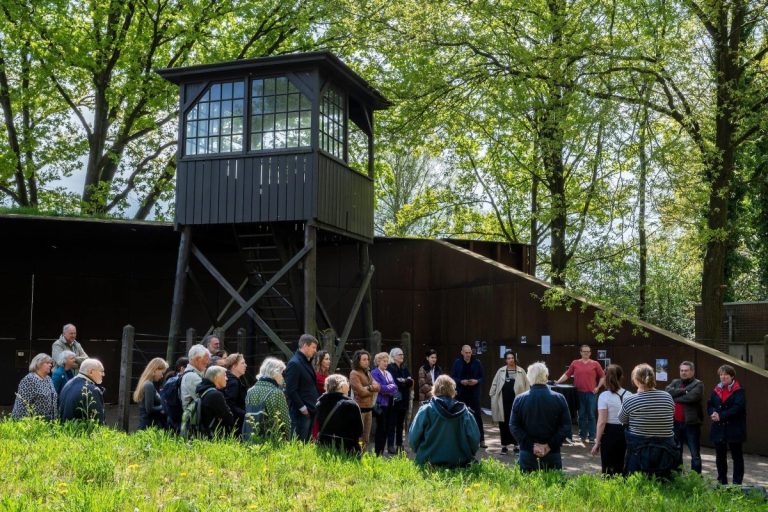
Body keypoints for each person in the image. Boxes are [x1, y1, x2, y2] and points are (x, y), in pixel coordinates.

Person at [618, 363, 679, 479]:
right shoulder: (667, 396)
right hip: (666, 448)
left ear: (636, 380)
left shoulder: (630, 400)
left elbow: (621, 420)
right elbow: (671, 415)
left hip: (639, 448)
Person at [510, 362, 571, 471]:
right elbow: (566, 426)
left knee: (526, 487)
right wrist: (549, 445)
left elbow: (514, 426)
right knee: (553, 487)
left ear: (529, 378)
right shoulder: (559, 398)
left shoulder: (519, 399)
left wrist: (531, 445)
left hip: (527, 452)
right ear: (546, 376)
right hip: (552, 452)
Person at [408, 375, 480, 468]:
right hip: (460, 463)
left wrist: (418, 451)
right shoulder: (465, 412)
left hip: (428, 462)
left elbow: (413, 439)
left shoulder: (425, 410)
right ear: (453, 390)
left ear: (435, 388)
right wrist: (470, 454)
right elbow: (474, 439)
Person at [555, 344, 606, 443]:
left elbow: (602, 376)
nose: (586, 353)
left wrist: (598, 387)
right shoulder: (575, 363)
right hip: (578, 393)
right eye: (584, 351)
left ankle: (592, 436)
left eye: (588, 351)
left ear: (590, 353)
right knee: (581, 415)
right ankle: (582, 435)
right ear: (581, 352)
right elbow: (567, 374)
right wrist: (558, 381)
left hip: (591, 393)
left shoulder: (595, 364)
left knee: (591, 415)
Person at [707, 364, 746, 485]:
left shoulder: (739, 390)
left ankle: (736, 483)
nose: (723, 377)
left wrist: (721, 416)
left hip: (734, 429)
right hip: (719, 429)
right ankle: (722, 482)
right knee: (720, 457)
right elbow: (710, 404)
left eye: (726, 375)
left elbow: (737, 408)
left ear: (732, 376)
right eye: (721, 375)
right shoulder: (716, 389)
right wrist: (712, 413)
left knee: (737, 457)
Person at [591, 364, 632, 475]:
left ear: (605, 378)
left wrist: (597, 442)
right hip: (626, 432)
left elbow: (601, 422)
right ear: (621, 377)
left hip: (609, 433)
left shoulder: (604, 396)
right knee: (621, 463)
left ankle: (609, 488)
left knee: (608, 467)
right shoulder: (629, 395)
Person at [665, 361, 704, 474]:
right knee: (677, 451)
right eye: (682, 370)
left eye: (686, 370)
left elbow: (691, 398)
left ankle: (695, 478)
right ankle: (677, 476)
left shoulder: (698, 384)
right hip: (675, 423)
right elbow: (667, 392)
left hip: (691, 424)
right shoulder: (675, 382)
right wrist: (684, 391)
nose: (683, 373)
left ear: (692, 371)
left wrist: (675, 397)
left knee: (695, 454)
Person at [489, 351, 530, 454]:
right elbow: (494, 384)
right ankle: (504, 446)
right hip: (503, 403)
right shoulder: (501, 371)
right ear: (505, 360)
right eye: (508, 358)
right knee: (503, 424)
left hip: (517, 402)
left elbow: (527, 386)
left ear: (515, 359)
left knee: (517, 423)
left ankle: (516, 446)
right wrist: (492, 395)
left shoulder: (521, 371)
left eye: (512, 358)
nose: (510, 360)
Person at [244, 357, 291, 441]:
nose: (283, 377)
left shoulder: (250, 391)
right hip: (272, 439)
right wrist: (288, 438)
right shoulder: (276, 392)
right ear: (274, 373)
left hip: (251, 437)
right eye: (282, 373)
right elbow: (285, 420)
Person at [284, 334, 320, 442]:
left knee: (305, 443)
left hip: (309, 410)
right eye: (313, 347)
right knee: (299, 443)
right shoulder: (295, 363)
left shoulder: (305, 361)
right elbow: (290, 389)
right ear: (305, 345)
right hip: (300, 413)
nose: (315, 350)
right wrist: (302, 408)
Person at [315, 374, 364, 455]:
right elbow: (359, 431)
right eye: (346, 382)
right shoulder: (350, 405)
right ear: (342, 386)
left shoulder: (320, 403)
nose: (348, 385)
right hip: (346, 449)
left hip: (324, 448)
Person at [451, 345, 486, 447]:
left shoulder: (477, 363)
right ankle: (459, 439)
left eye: (469, 352)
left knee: (477, 416)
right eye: (466, 353)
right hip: (461, 394)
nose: (468, 355)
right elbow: (453, 377)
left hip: (474, 393)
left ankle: (481, 440)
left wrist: (476, 381)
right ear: (462, 352)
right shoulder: (457, 363)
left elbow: (482, 377)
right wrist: (461, 381)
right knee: (459, 416)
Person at [349, 349, 380, 451]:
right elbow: (361, 392)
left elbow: (378, 387)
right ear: (358, 361)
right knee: (358, 436)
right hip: (359, 410)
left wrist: (368, 388)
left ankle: (364, 457)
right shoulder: (354, 373)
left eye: (367, 359)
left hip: (369, 409)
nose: (367, 361)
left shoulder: (368, 372)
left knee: (366, 438)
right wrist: (371, 388)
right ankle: (356, 456)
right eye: (364, 359)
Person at [58, 358, 106, 424]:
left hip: (65, 431)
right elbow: (98, 422)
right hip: (81, 432)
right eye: (101, 371)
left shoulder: (68, 383)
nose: (103, 374)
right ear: (91, 372)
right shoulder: (92, 389)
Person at [11, 353, 57, 420]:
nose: (50, 365)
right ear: (38, 364)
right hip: (34, 424)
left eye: (50, 363)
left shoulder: (48, 379)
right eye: (47, 363)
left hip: (50, 422)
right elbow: (21, 405)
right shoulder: (29, 380)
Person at [387, 347, 414, 453]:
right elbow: (394, 383)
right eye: (399, 354)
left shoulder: (404, 367)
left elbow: (411, 382)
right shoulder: (390, 368)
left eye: (402, 354)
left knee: (400, 424)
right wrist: (404, 382)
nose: (402, 356)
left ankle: (399, 445)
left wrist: (404, 381)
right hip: (394, 400)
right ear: (393, 356)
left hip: (404, 400)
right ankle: (390, 445)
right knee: (392, 423)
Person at [196, 365, 236, 438]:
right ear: (216, 377)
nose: (227, 379)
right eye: (224, 375)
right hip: (215, 437)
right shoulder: (215, 395)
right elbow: (229, 418)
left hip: (204, 435)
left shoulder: (203, 391)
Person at [371, 352, 399, 455]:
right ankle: (378, 452)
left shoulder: (388, 373)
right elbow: (379, 388)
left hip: (390, 404)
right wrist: (388, 388)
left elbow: (395, 387)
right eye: (384, 361)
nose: (386, 363)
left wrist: (387, 388)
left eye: (387, 361)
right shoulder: (374, 373)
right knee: (381, 428)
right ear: (378, 361)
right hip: (380, 404)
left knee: (387, 427)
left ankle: (381, 451)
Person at [133, 357, 168, 430]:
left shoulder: (148, 384)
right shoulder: (149, 385)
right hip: (147, 427)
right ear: (155, 370)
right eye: (162, 373)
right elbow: (149, 409)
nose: (162, 376)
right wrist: (164, 407)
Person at [222, 353, 248, 433]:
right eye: (242, 363)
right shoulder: (233, 382)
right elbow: (230, 404)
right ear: (234, 366)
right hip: (235, 423)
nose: (245, 365)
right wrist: (246, 414)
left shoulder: (233, 380)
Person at [311, 350, 332, 439]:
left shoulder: (328, 375)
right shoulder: (316, 375)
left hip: (328, 407)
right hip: (319, 408)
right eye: (326, 359)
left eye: (329, 359)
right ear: (320, 360)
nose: (329, 361)